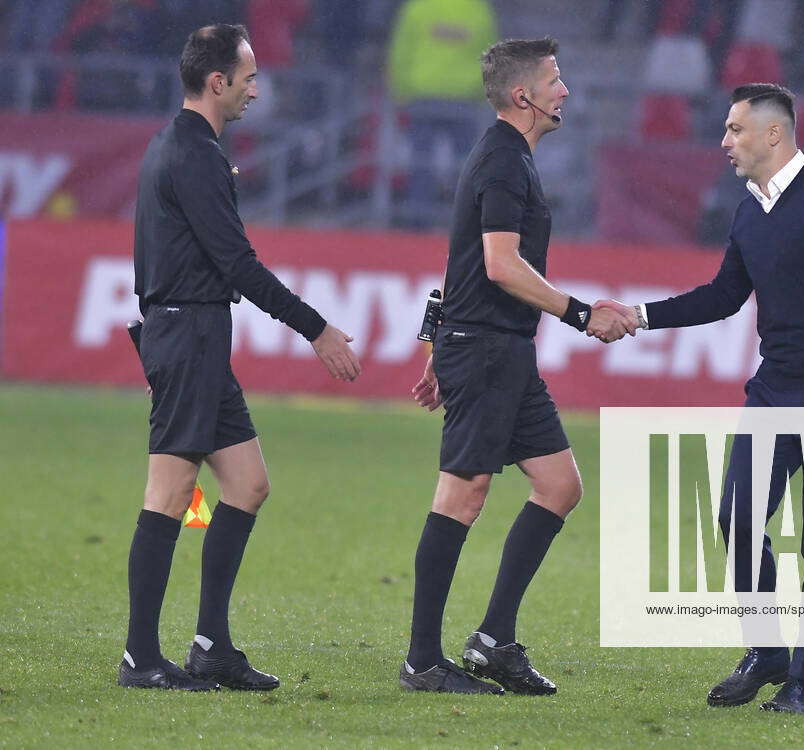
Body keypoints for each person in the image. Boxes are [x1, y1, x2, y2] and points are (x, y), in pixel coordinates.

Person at [596, 83, 804, 713]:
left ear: (773, 133)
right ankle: (766, 651)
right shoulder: (747, 213)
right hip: (773, 390)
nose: (725, 142)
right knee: (737, 517)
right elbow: (723, 296)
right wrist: (640, 316)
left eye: (735, 129)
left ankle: (802, 683)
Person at [119, 23, 360, 691]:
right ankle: (141, 657)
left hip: (190, 337)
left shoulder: (172, 145)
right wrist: (316, 328)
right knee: (170, 495)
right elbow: (238, 264)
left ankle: (210, 647)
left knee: (248, 484)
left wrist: (155, 343)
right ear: (217, 81)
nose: (256, 89)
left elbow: (151, 257)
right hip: (188, 336)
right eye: (249, 78)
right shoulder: (194, 157)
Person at [401, 37, 633, 695]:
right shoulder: (503, 161)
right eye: (555, 80)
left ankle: (493, 641)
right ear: (523, 94)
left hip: (497, 348)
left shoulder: (508, 158)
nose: (566, 90)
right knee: (463, 492)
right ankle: (422, 661)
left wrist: (434, 341)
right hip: (484, 347)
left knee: (559, 486)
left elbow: (461, 257)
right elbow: (500, 265)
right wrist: (581, 314)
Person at [386, 0, 498, 227]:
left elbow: (401, 51)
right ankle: (464, 222)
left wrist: (399, 91)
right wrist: (484, 92)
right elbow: (492, 58)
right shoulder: (478, 10)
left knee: (421, 162)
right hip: (464, 97)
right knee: (464, 165)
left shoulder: (418, 7)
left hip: (423, 94)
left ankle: (418, 220)